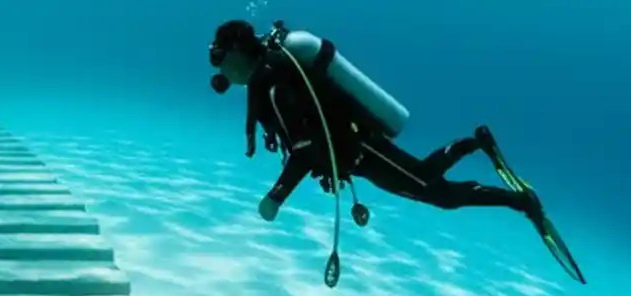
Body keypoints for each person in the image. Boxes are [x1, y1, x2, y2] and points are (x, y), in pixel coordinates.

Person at [208, 19, 546, 230]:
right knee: (428, 178)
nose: (220, 71)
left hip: (362, 149)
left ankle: (521, 201)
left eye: (220, 58)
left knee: (439, 192)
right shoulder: (274, 77)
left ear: (237, 51)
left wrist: (276, 196)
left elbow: (306, 150)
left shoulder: (276, 86)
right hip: (359, 154)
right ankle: (474, 143)